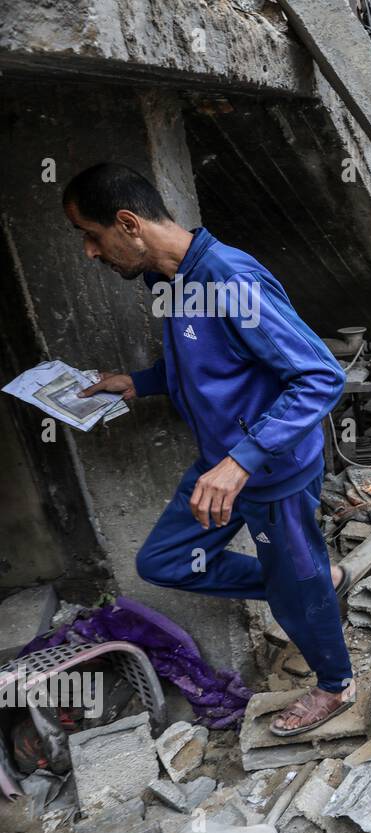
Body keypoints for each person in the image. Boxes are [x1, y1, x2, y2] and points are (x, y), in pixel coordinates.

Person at [65, 163, 353, 734]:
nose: (91, 254)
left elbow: (321, 377)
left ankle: (335, 685)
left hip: (270, 472)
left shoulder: (228, 279)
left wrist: (240, 461)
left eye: (92, 237)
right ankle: (313, 581)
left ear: (128, 224)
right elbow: (207, 366)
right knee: (164, 562)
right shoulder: (168, 281)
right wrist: (139, 381)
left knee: (297, 592)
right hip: (221, 465)